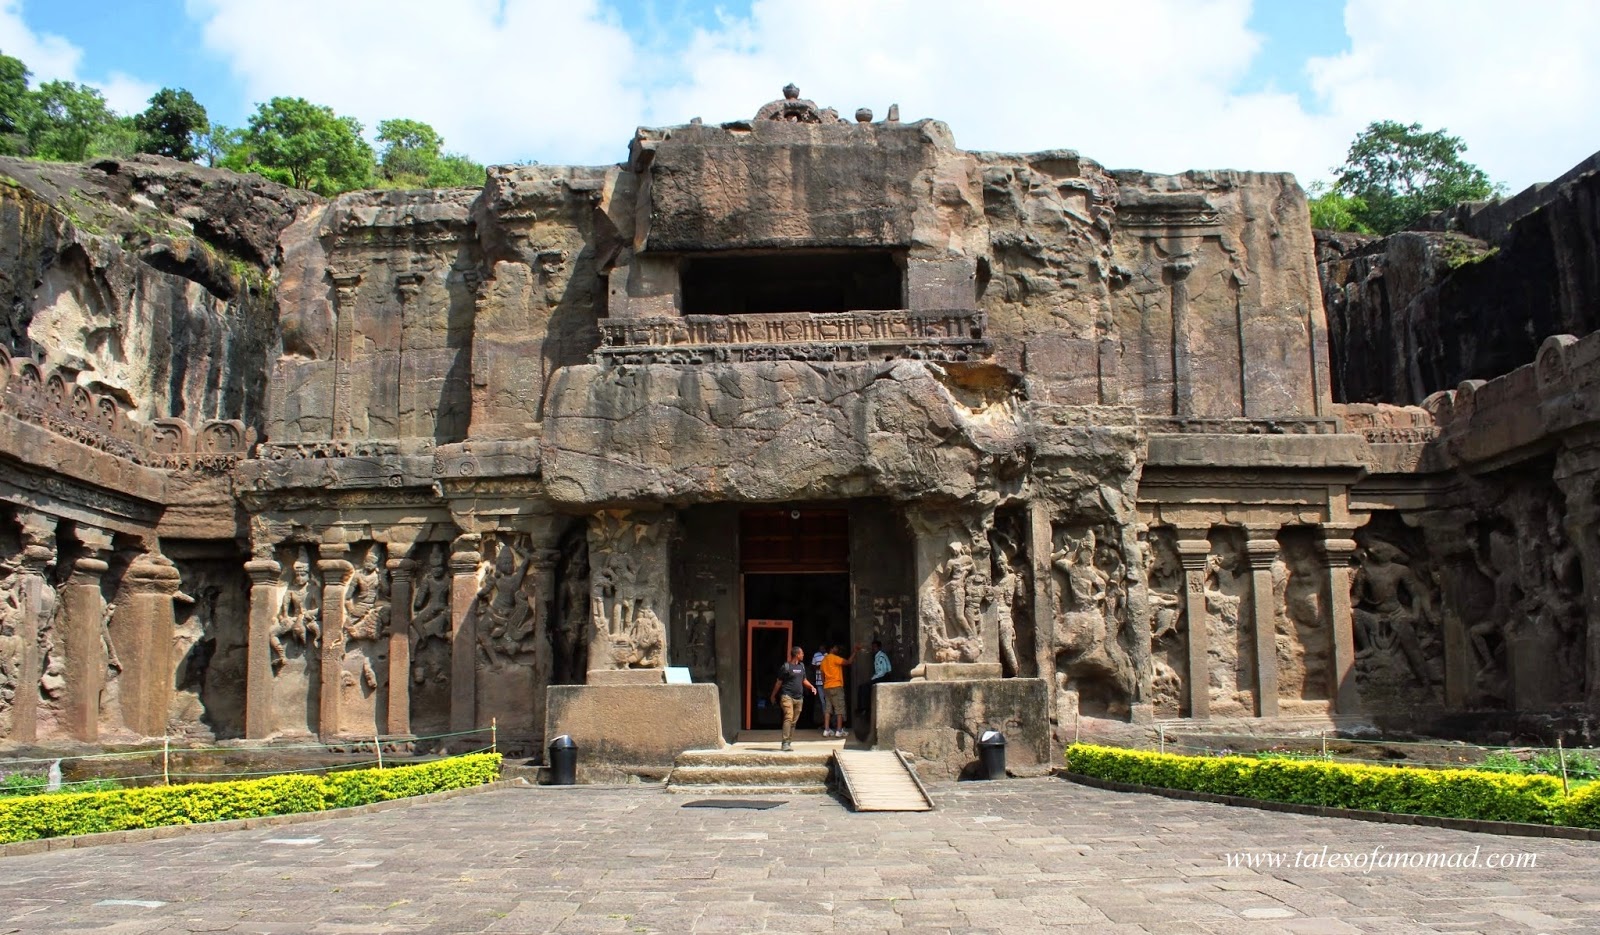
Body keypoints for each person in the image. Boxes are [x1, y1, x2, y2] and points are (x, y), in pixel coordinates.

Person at [769, 645, 815, 752]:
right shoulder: (786, 667)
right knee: (788, 717)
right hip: (787, 696)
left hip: (799, 698)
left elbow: (804, 680)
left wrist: (811, 686)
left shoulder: (801, 667)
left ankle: (789, 742)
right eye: (802, 653)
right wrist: (773, 695)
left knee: (794, 722)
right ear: (797, 655)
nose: (803, 655)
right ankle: (785, 743)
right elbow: (779, 683)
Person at [820, 642, 859, 737]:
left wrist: (825, 684)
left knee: (828, 709)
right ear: (832, 648)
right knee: (839, 709)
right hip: (836, 686)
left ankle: (826, 730)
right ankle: (839, 730)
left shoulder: (824, 660)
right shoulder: (834, 658)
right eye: (836, 648)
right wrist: (855, 652)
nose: (837, 650)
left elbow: (822, 675)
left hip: (827, 687)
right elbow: (848, 662)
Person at [856, 640, 892, 718]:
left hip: (884, 677)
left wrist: (873, 679)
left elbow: (883, 671)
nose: (873, 648)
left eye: (874, 647)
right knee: (862, 687)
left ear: (879, 648)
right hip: (880, 676)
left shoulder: (881, 656)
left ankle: (864, 708)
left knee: (866, 686)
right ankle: (861, 708)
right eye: (873, 647)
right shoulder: (877, 656)